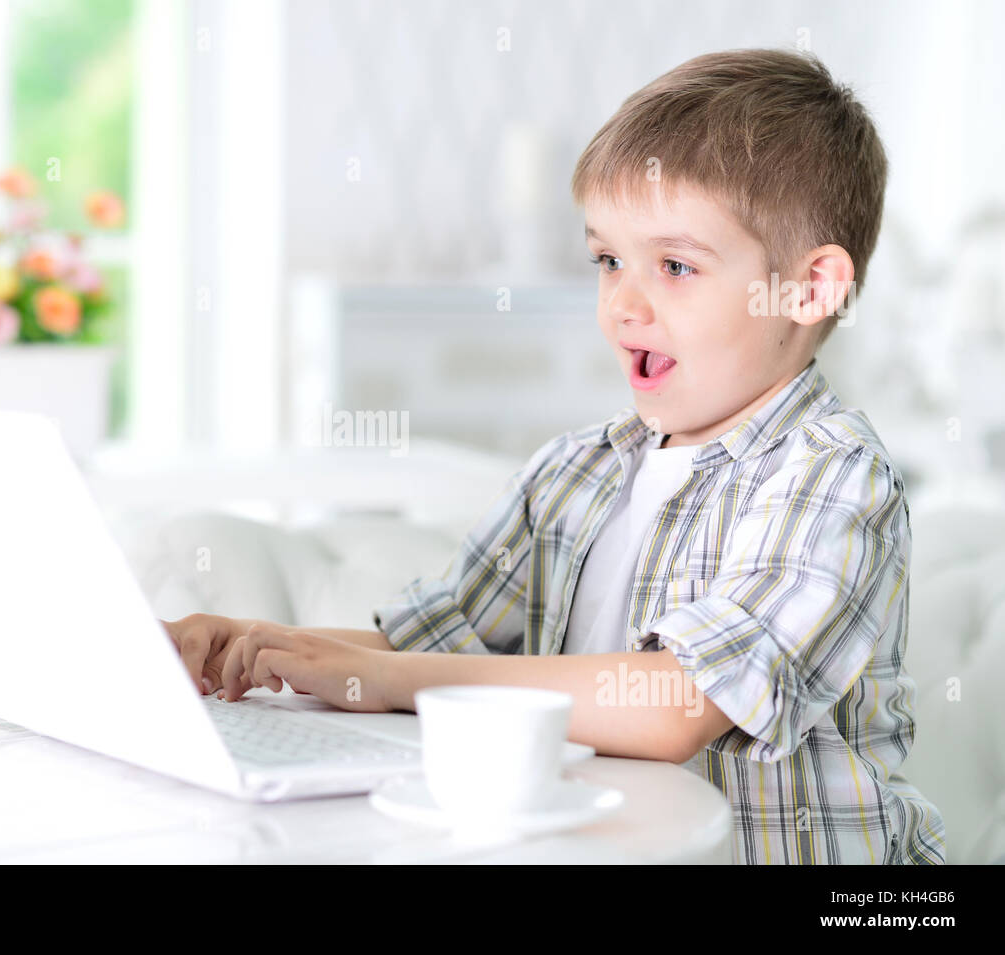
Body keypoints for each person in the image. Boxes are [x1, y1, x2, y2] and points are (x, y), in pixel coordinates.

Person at [163, 48, 946, 865]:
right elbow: (445, 647)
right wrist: (255, 644)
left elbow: (674, 703)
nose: (623, 304)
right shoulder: (573, 472)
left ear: (810, 289)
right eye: (608, 260)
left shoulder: (831, 475)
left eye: (675, 266)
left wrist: (385, 680)